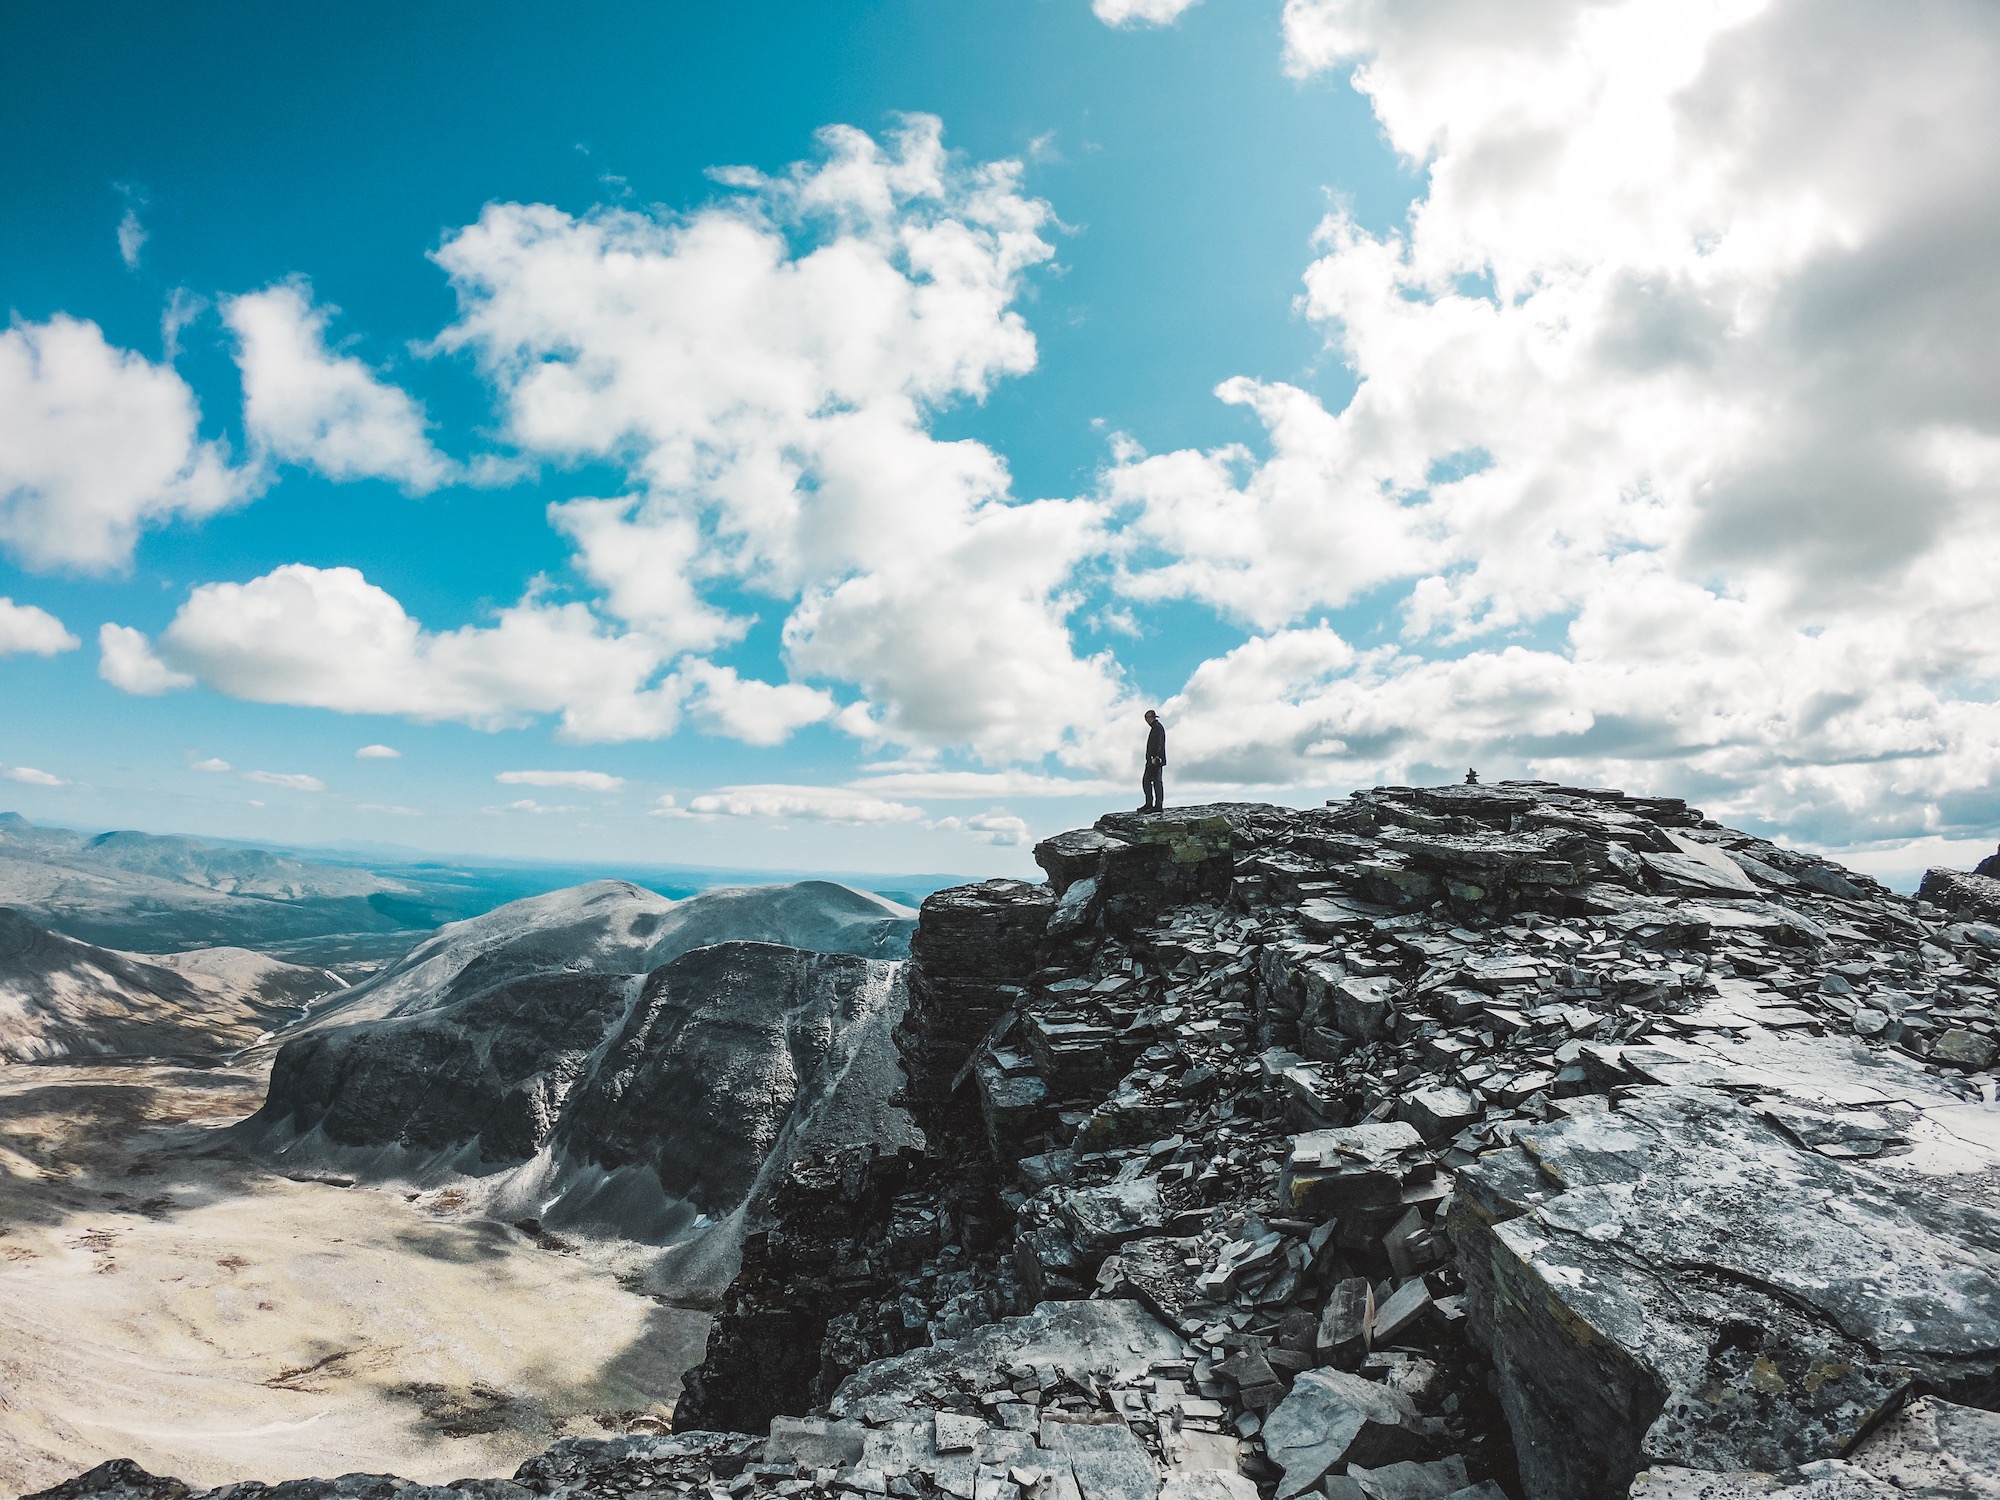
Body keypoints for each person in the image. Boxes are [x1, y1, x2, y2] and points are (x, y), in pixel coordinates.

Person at [1139, 709, 1166, 813]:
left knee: (1155, 782)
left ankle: (1157, 805)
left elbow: (1158, 744)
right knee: (1149, 781)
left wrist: (1156, 757)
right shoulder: (1155, 728)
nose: (1146, 720)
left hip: (1155, 760)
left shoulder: (1157, 728)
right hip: (1152, 760)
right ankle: (1150, 804)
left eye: (1147, 718)